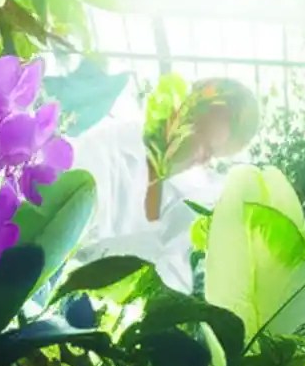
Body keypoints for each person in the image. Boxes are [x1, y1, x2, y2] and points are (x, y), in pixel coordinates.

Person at [68, 78, 261, 294]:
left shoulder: (192, 199)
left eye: (210, 151)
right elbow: (71, 242)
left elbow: (174, 278)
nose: (200, 157)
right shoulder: (108, 147)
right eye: (198, 134)